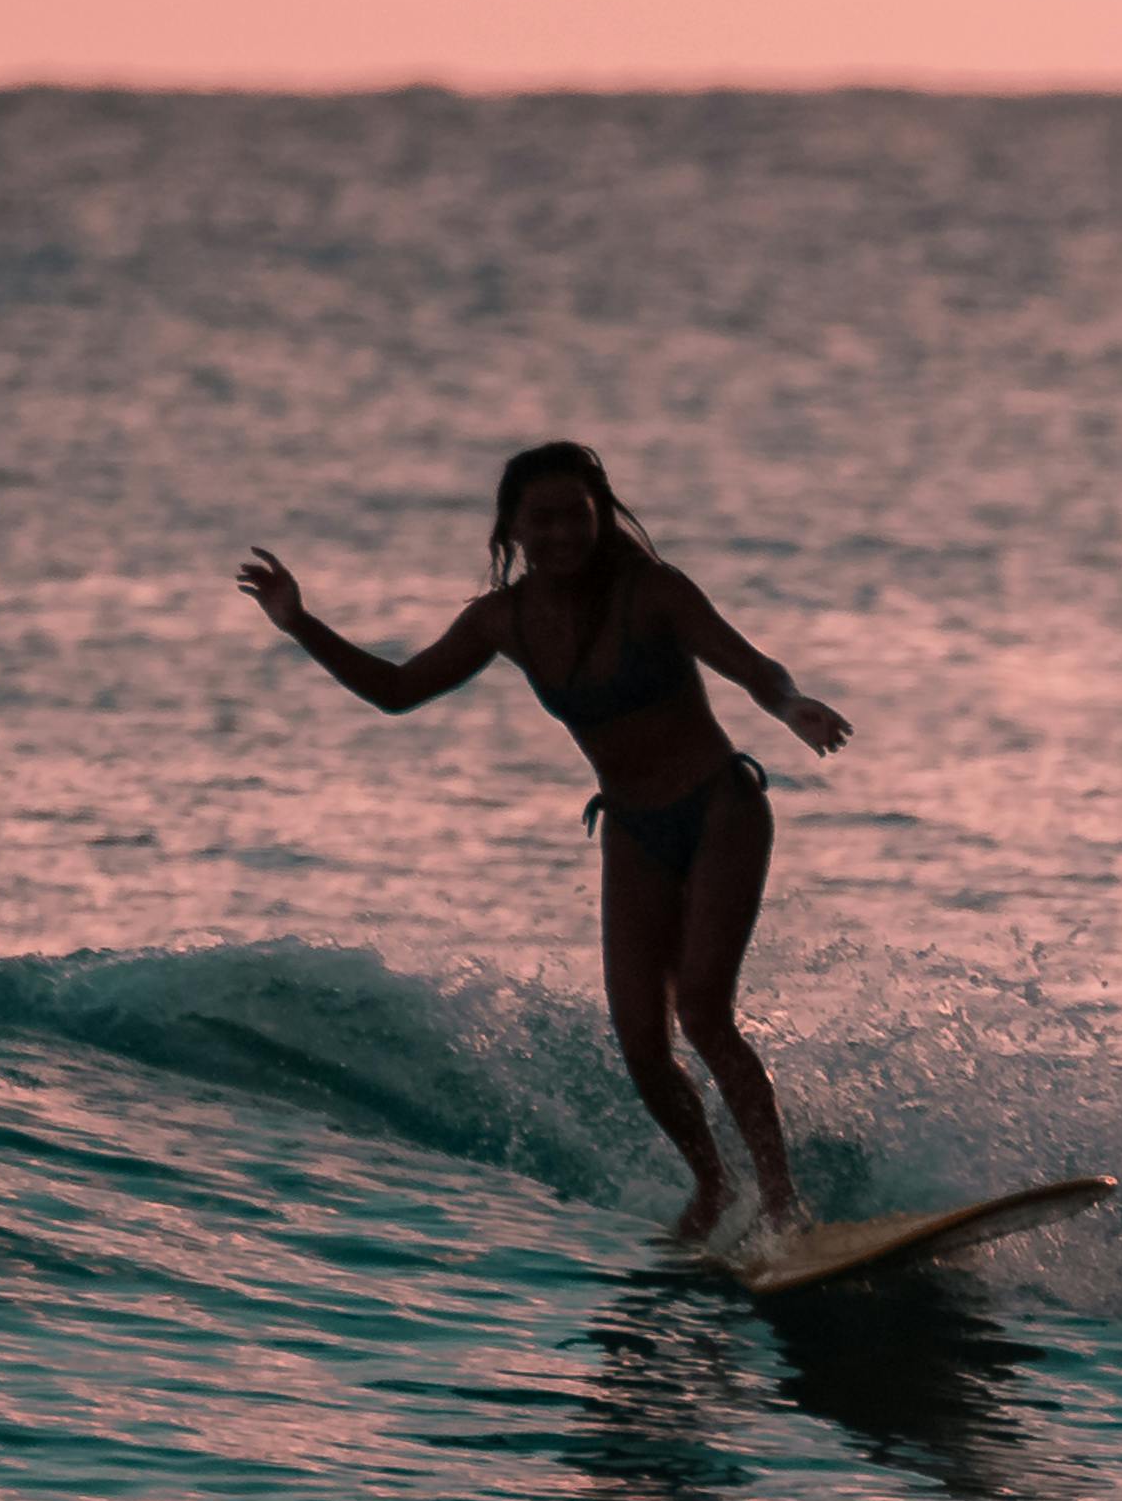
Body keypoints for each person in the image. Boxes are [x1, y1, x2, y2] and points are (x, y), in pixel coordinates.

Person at [235, 442, 848, 1250]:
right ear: (512, 526)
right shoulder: (505, 619)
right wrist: (298, 623)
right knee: (639, 1043)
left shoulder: (650, 592)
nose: (561, 531)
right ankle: (712, 1189)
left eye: (575, 513)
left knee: (701, 1009)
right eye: (542, 517)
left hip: (718, 809)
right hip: (632, 832)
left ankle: (781, 1204)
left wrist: (792, 705)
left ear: (600, 513)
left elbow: (749, 664)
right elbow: (396, 691)